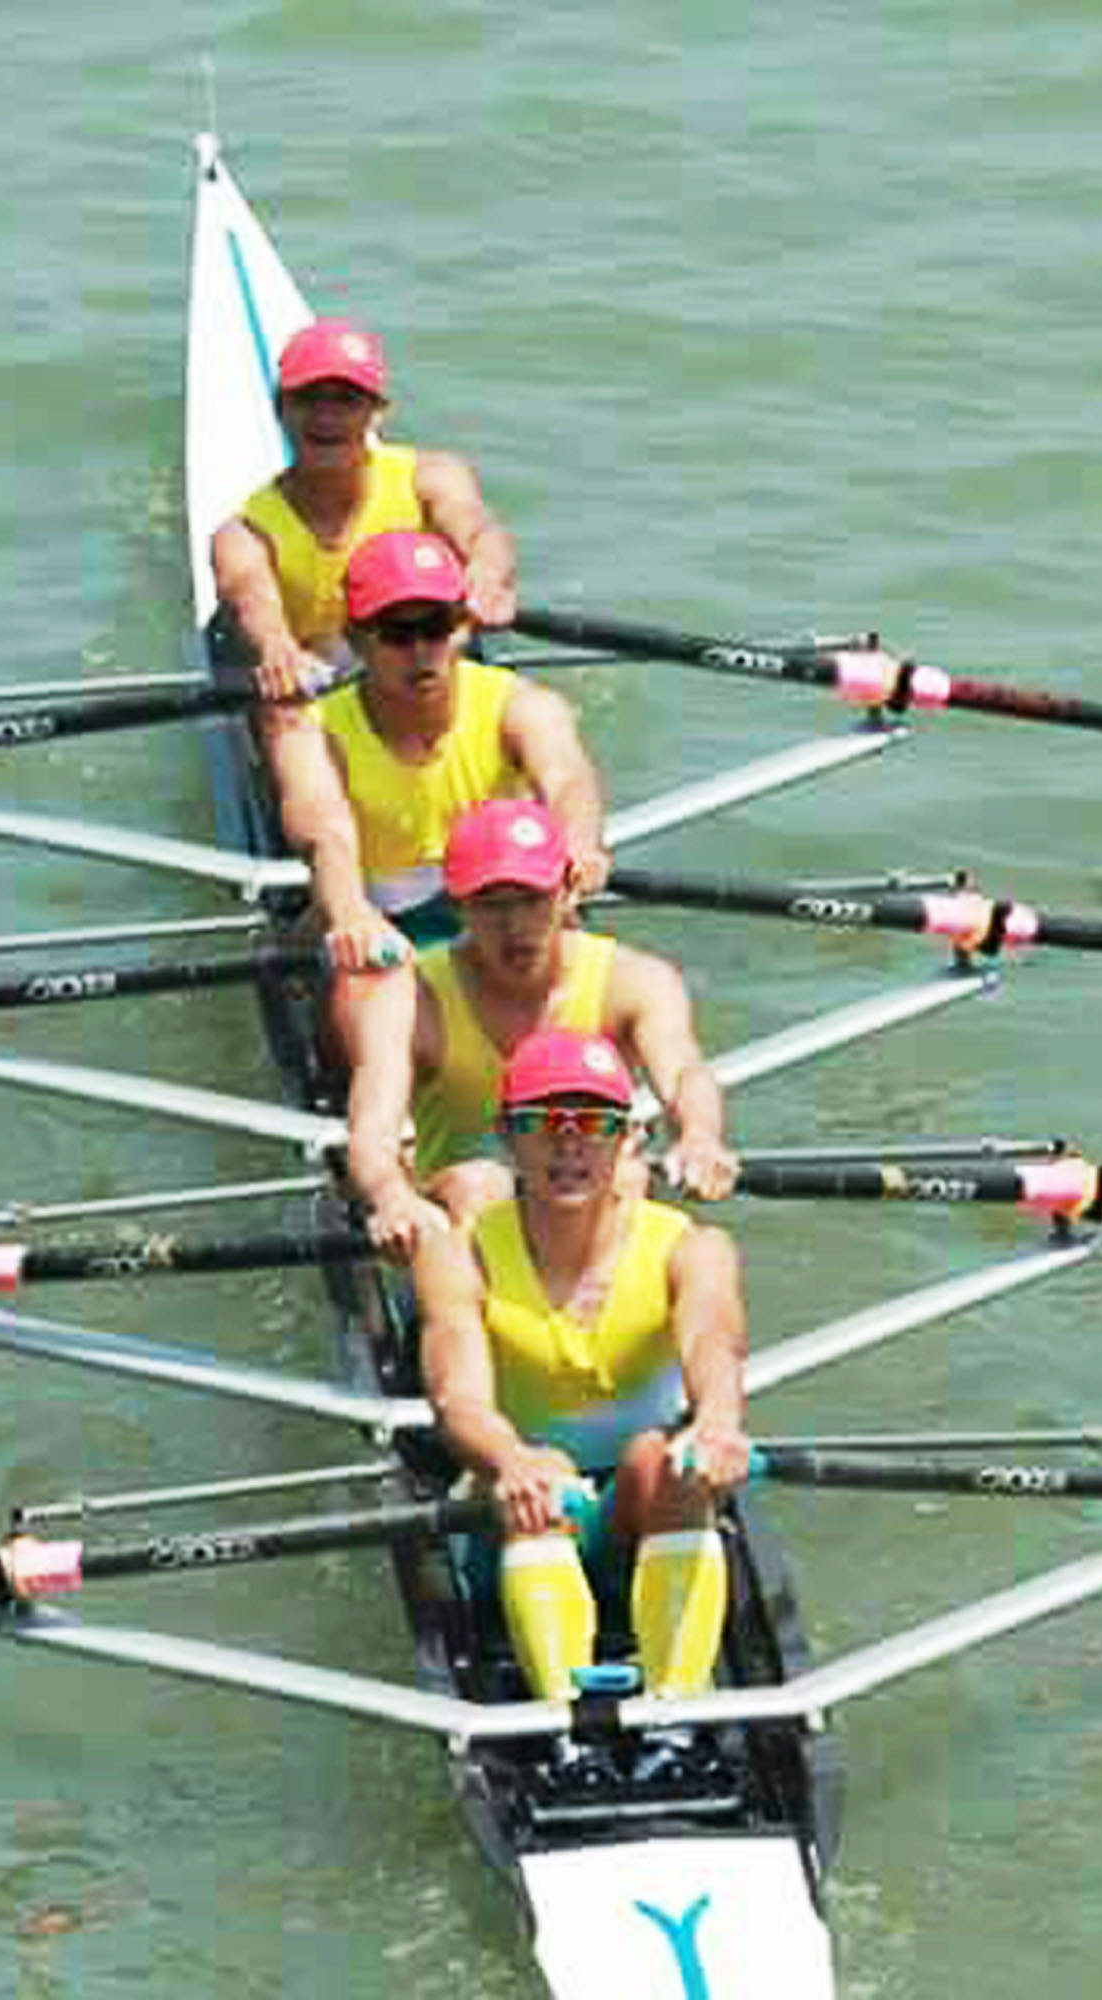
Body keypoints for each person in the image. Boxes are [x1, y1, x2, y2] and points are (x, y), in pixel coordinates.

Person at [411, 1028, 753, 1705]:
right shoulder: (458, 1256)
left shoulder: (693, 1248)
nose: (569, 1145)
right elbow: (458, 1399)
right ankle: (559, 1724)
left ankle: (675, 1716)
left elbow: (713, 1339)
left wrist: (717, 1420)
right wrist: (511, 1459)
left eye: (594, 1123)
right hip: (514, 1513)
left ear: (628, 1140)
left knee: (666, 1460)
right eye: (543, 1124)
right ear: (507, 1138)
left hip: (641, 1511)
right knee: (548, 1471)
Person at [341, 798, 734, 1256]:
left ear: (569, 889)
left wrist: (699, 1136)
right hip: (463, 1207)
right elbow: (371, 1130)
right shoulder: (407, 999)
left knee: (628, 1178)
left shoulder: (636, 981)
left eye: (533, 900)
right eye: (491, 905)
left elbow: (684, 1073)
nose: (516, 926)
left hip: (586, 1181)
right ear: (456, 905)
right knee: (480, 1186)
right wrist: (391, 1196)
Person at [265, 530, 607, 975]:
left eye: (436, 626)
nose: (421, 651)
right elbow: (326, 834)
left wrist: (579, 843)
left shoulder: (524, 707)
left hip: (500, 903)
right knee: (359, 983)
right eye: (397, 633)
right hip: (378, 915)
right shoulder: (311, 735)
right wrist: (352, 915)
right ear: (355, 638)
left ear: (463, 627)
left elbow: (566, 781)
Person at [211, 317, 517, 705]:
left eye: (347, 400)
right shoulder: (244, 535)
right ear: (279, 408)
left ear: (377, 412)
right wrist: (275, 645)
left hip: (415, 651)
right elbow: (250, 593)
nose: (326, 418)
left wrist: (487, 573)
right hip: (312, 675)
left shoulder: (432, 478)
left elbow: (479, 529)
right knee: (282, 714)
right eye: (308, 398)